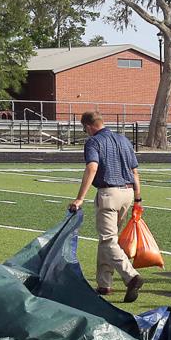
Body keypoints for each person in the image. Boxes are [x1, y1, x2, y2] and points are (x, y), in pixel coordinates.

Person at [68, 110, 144, 302]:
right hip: (127, 193)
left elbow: (92, 167)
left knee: (109, 240)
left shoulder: (93, 142)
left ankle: (131, 276)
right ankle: (104, 284)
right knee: (108, 241)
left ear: (88, 126)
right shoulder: (124, 140)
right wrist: (137, 199)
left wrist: (80, 198)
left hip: (109, 193)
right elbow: (135, 172)